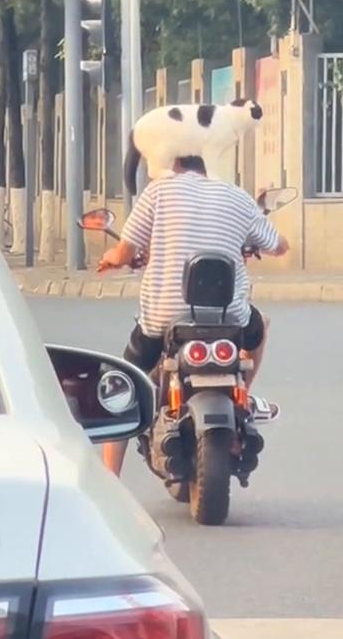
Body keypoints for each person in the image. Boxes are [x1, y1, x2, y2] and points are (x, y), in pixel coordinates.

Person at [96, 155, 290, 477]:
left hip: (164, 320)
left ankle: (108, 482)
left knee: (123, 386)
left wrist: (112, 259)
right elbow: (280, 246)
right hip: (231, 321)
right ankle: (242, 399)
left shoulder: (159, 191)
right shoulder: (236, 196)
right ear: (207, 165)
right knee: (261, 324)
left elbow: (125, 251)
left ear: (172, 163)